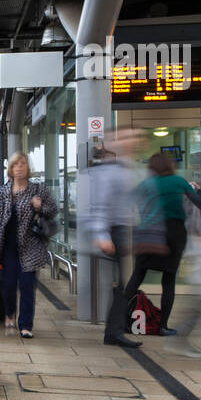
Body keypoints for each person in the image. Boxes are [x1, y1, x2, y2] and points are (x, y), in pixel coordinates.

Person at [121, 153, 201, 336]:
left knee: (137, 276)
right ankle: (163, 326)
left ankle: (121, 321)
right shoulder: (179, 182)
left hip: (149, 232)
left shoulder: (147, 184)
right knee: (169, 279)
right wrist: (198, 189)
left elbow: (129, 202)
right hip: (174, 233)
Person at [0, 152, 57, 338]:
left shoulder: (38, 189)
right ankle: (9, 314)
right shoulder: (2, 192)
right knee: (8, 285)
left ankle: (25, 325)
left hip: (30, 246)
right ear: (11, 168)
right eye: (16, 164)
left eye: (22, 163)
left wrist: (40, 206)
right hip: (7, 247)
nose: (19, 167)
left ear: (27, 168)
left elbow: (53, 209)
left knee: (27, 285)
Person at [83, 128, 143, 348]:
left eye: (132, 137)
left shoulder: (129, 167)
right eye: (125, 137)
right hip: (115, 230)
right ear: (111, 143)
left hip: (127, 229)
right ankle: (114, 331)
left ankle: (114, 330)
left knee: (124, 285)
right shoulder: (107, 172)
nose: (131, 141)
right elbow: (99, 205)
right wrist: (102, 235)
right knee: (124, 285)